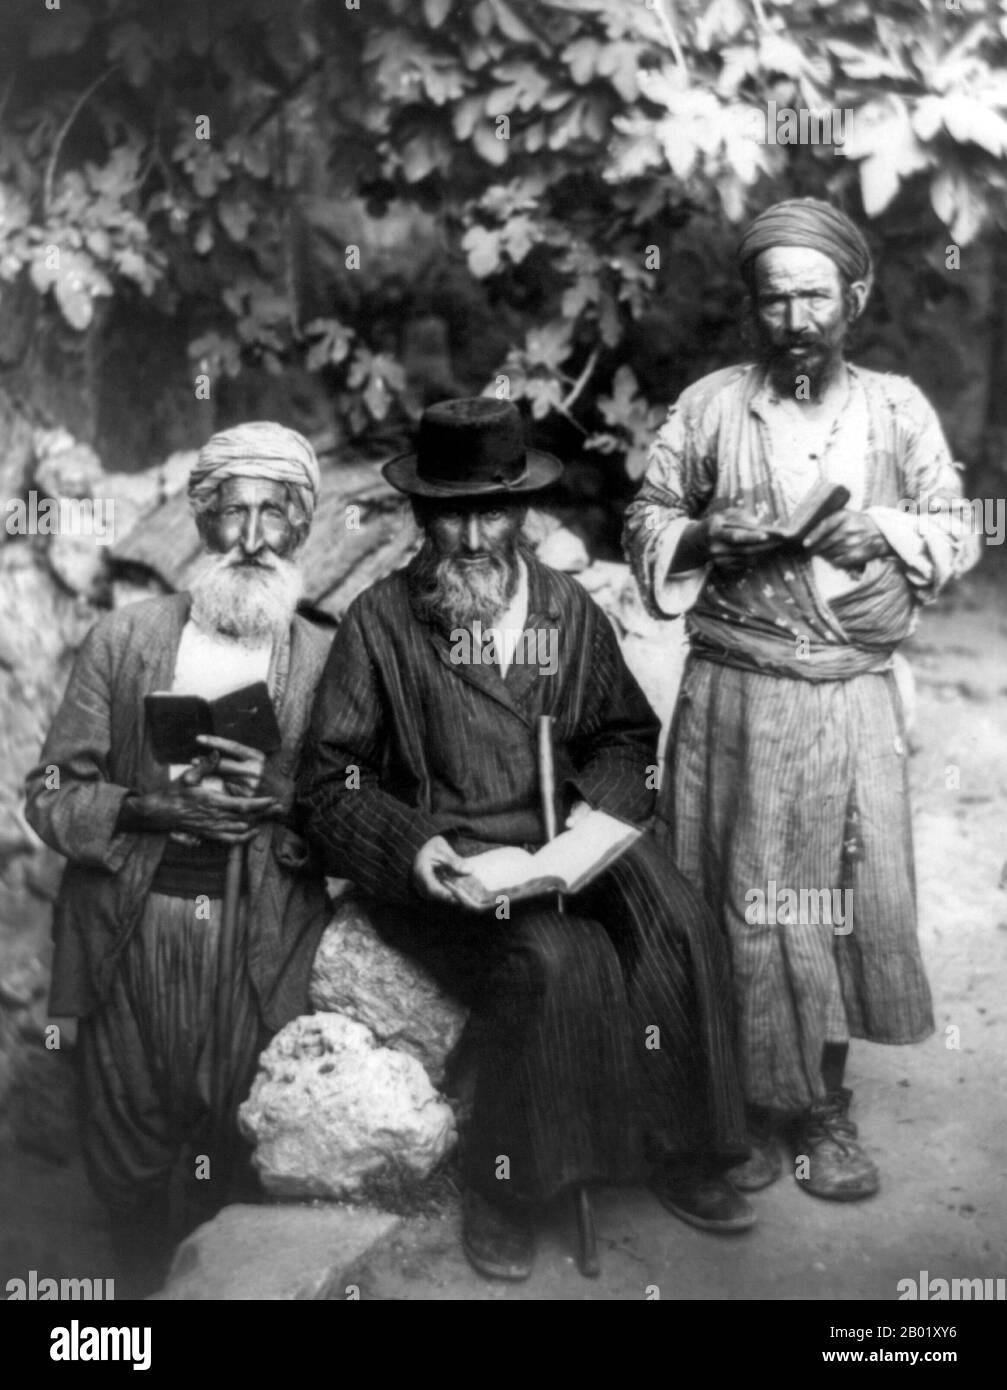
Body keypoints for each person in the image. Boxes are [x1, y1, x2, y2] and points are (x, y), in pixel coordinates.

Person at [297, 396, 752, 1283]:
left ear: (522, 511)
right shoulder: (379, 623)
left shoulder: (562, 607)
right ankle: (509, 1182)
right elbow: (329, 782)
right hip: (458, 866)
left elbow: (622, 736)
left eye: (491, 512)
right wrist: (417, 851)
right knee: (554, 958)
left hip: (563, 837)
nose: (471, 538)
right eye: (451, 514)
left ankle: (684, 1147)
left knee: (680, 920)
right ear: (423, 515)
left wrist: (592, 825)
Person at [624, 199, 980, 1203]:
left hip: (845, 693)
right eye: (771, 298)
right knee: (726, 895)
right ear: (750, 304)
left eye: (812, 296)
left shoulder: (897, 409)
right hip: (733, 689)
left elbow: (956, 529)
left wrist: (886, 534)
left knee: (826, 899)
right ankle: (725, 1118)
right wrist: (702, 538)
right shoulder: (706, 408)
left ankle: (821, 1110)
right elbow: (644, 514)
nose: (792, 319)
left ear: (852, 298)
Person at [25, 422, 332, 1284]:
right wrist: (148, 808)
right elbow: (49, 795)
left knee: (236, 1137)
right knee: (125, 1136)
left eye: (275, 514)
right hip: (133, 929)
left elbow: (357, 810)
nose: (251, 538)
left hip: (260, 936)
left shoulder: (325, 659)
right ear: (201, 520)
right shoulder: (125, 642)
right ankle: (130, 1306)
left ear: (302, 526)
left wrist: (282, 801)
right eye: (230, 512)